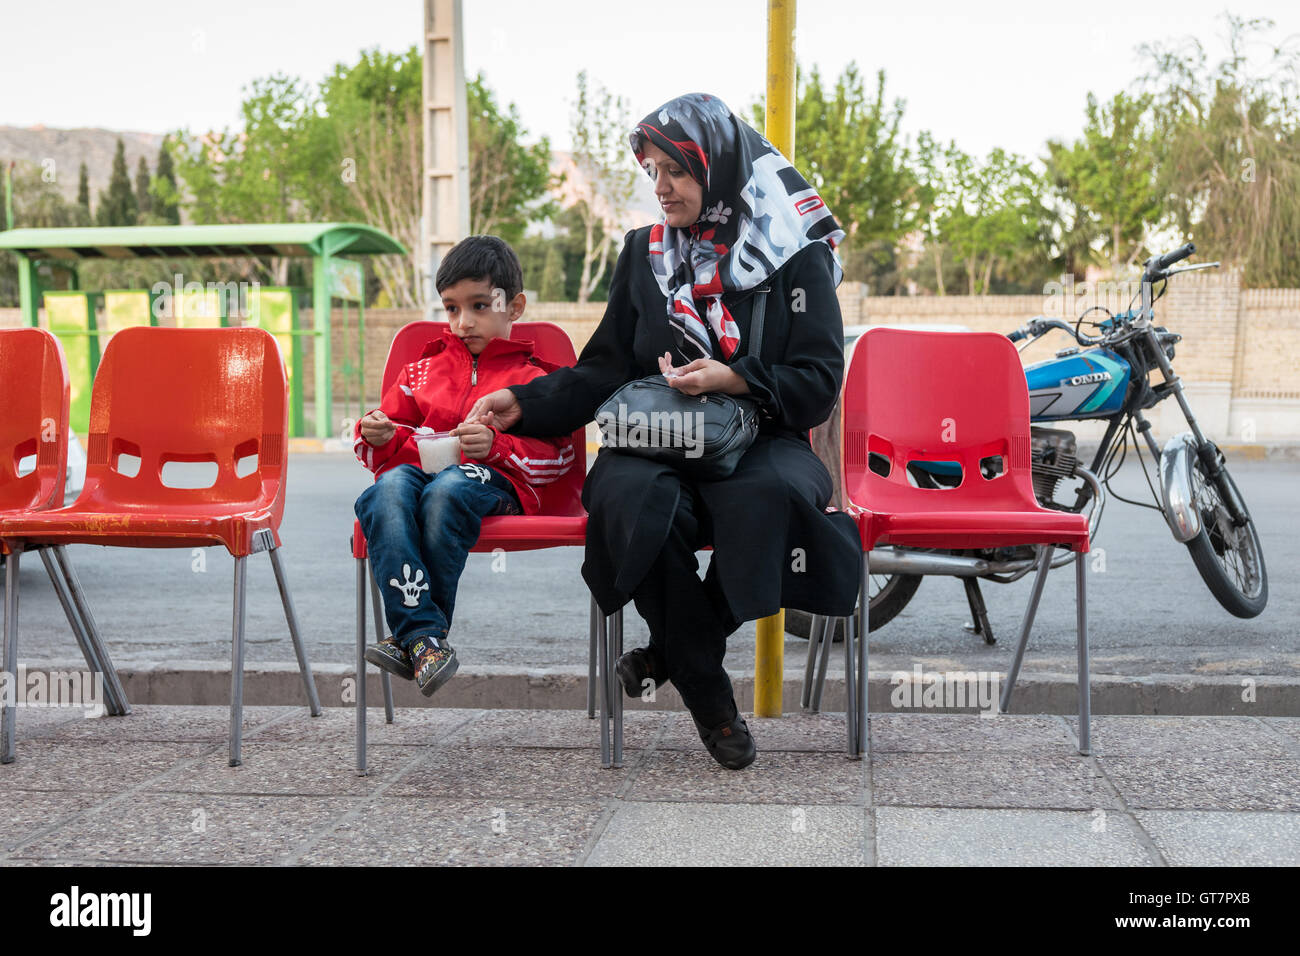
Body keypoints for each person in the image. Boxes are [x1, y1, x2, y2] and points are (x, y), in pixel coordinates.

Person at [468, 93, 863, 769]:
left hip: (762, 438)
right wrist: (523, 405)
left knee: (776, 497)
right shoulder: (643, 255)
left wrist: (733, 379)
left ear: (718, 167)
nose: (660, 188)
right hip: (655, 439)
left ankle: (673, 652)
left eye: (674, 170)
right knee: (631, 503)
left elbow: (819, 379)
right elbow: (602, 371)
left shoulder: (792, 257)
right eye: (651, 171)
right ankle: (711, 695)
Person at [353, 236, 575, 696]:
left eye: (478, 305)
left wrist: (495, 447)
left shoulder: (538, 379)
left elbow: (562, 459)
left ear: (514, 306)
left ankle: (412, 635)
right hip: (424, 478)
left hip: (497, 486)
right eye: (451, 308)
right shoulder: (421, 370)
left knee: (449, 486)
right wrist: (378, 434)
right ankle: (425, 640)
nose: (463, 322)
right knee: (385, 491)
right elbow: (393, 441)